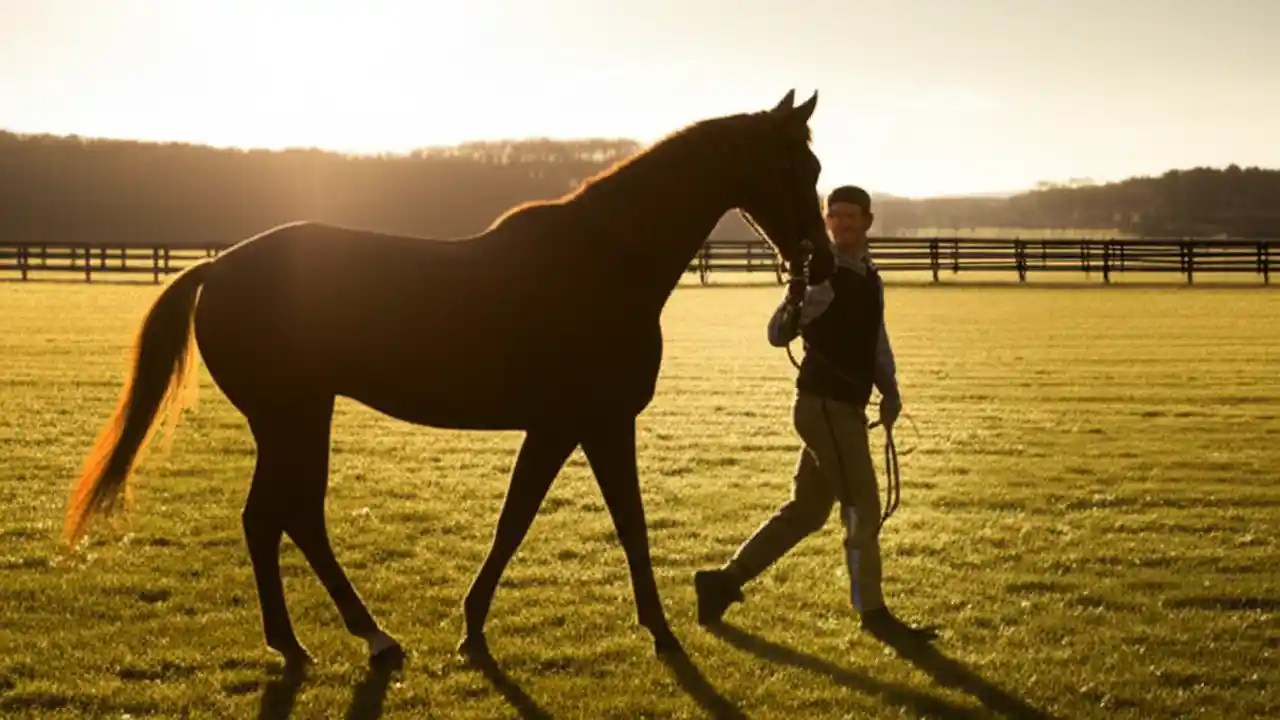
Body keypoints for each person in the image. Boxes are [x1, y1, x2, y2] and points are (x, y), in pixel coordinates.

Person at [694, 185, 936, 642]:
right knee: (863, 507)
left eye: (851, 216)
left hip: (841, 406)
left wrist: (890, 392)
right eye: (835, 216)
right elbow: (777, 333)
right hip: (824, 407)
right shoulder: (823, 276)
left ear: (867, 221)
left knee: (807, 511)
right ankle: (875, 614)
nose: (843, 224)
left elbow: (876, 343)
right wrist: (794, 300)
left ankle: (722, 582)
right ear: (827, 222)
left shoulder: (867, 276)